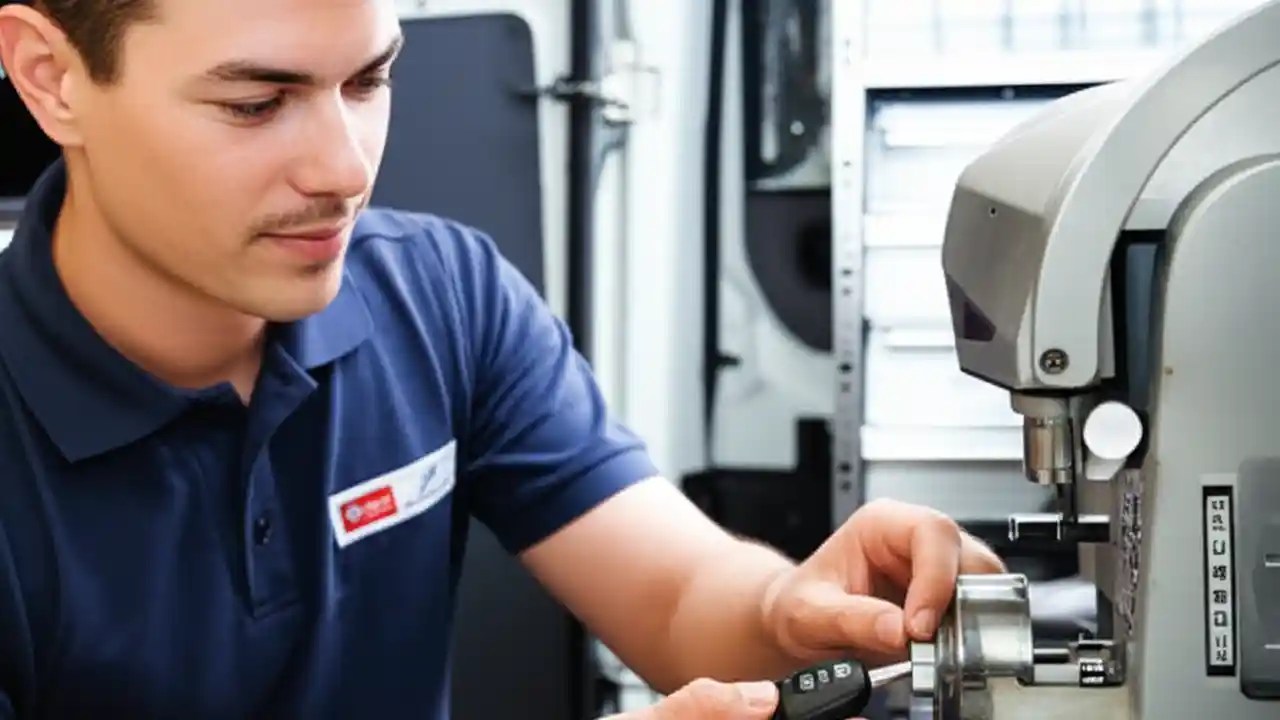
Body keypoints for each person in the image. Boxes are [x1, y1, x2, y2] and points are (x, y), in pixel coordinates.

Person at [0, 1, 1005, 717]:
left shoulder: (441, 296)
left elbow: (671, 594)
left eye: (369, 80)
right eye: (256, 103)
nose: (344, 171)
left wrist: (788, 611)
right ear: (52, 79)